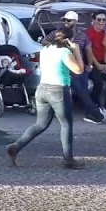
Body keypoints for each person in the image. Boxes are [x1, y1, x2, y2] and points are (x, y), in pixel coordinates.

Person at [6, 31, 85, 169]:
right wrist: (76, 51)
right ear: (69, 40)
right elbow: (78, 70)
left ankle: (16, 146)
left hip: (42, 89)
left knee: (40, 124)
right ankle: (68, 159)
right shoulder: (64, 52)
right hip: (58, 90)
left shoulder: (46, 49)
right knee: (66, 124)